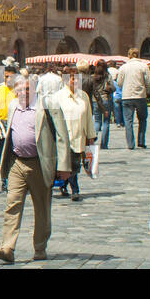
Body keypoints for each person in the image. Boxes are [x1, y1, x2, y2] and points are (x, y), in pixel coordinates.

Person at [0, 74, 70, 264]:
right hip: (17, 163)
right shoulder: (13, 106)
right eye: (19, 89)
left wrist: (64, 166)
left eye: (27, 89)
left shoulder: (46, 105)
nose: (23, 92)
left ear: (34, 89)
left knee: (42, 208)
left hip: (39, 163)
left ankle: (40, 247)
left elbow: (62, 135)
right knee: (12, 204)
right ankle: (7, 247)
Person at [54, 65, 96, 202]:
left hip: (79, 135)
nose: (76, 82)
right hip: (64, 137)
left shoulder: (83, 96)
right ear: (66, 80)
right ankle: (75, 189)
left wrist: (91, 137)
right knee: (69, 163)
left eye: (77, 79)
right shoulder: (58, 97)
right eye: (73, 79)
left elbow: (89, 117)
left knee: (75, 164)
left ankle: (64, 185)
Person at [118, 50, 150, 150]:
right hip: (140, 95)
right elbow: (148, 81)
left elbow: (119, 83)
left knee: (128, 121)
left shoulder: (123, 67)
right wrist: (146, 89)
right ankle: (141, 141)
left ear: (128, 55)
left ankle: (130, 144)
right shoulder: (144, 66)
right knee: (142, 119)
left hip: (127, 96)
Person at [90, 60, 114, 150]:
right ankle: (104, 144)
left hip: (95, 100)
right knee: (106, 122)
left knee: (97, 121)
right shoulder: (108, 76)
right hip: (106, 99)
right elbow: (113, 88)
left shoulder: (93, 77)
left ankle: (93, 138)